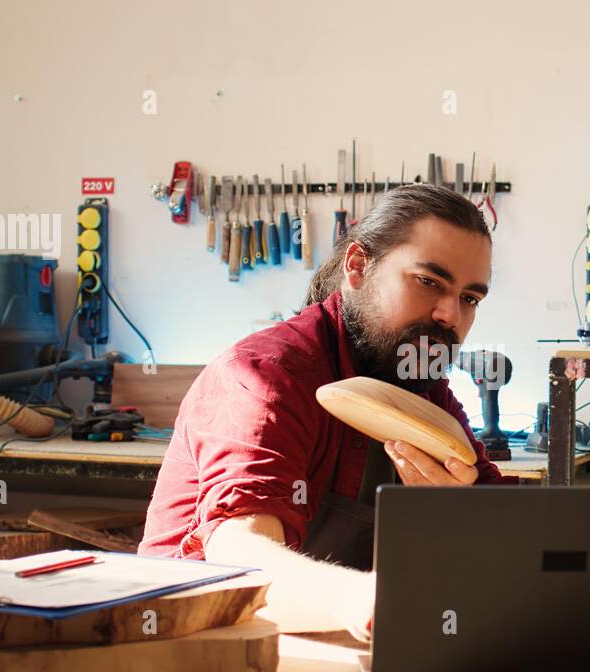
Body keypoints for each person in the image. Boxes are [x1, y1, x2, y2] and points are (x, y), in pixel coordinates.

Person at [140, 184, 515, 639]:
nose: (450, 316)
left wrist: (459, 515)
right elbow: (241, 556)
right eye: (429, 282)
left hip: (339, 648)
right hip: (199, 652)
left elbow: (506, 533)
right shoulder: (266, 377)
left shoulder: (423, 390)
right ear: (357, 266)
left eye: (470, 299)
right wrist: (375, 600)